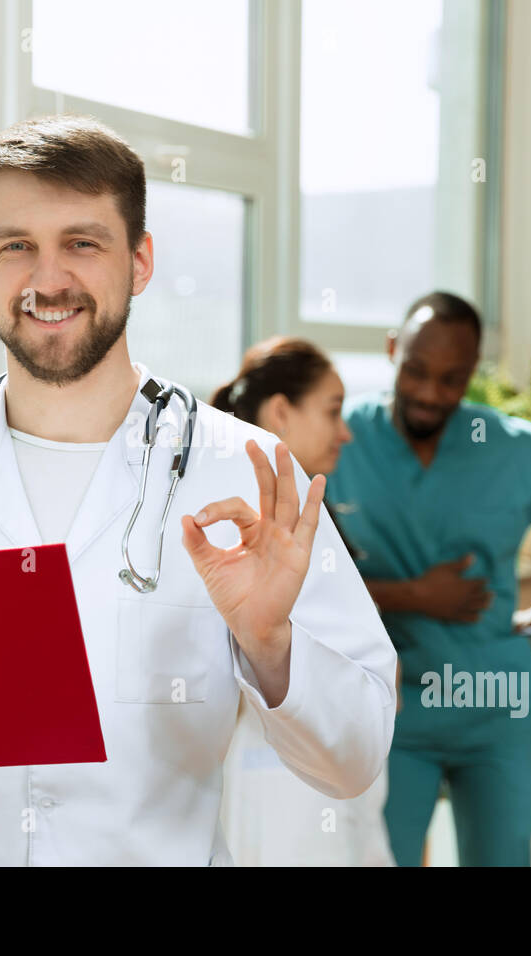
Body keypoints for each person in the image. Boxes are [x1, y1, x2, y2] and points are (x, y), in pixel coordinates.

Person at [0, 114, 398, 866]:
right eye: (17, 246)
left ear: (140, 262)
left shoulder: (246, 468)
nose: (49, 280)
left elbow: (356, 757)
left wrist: (270, 646)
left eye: (83, 242)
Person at [326, 291, 531, 866]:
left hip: (496, 706)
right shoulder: (342, 441)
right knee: (380, 858)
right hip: (392, 711)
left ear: (473, 375)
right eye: (416, 371)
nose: (430, 393)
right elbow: (307, 579)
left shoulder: (506, 447)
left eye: (452, 379)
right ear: (393, 350)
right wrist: (413, 596)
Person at [212, 336, 395, 866]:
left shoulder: (312, 514)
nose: (346, 432)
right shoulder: (243, 519)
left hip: (324, 765)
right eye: (333, 411)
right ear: (280, 413)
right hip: (277, 779)